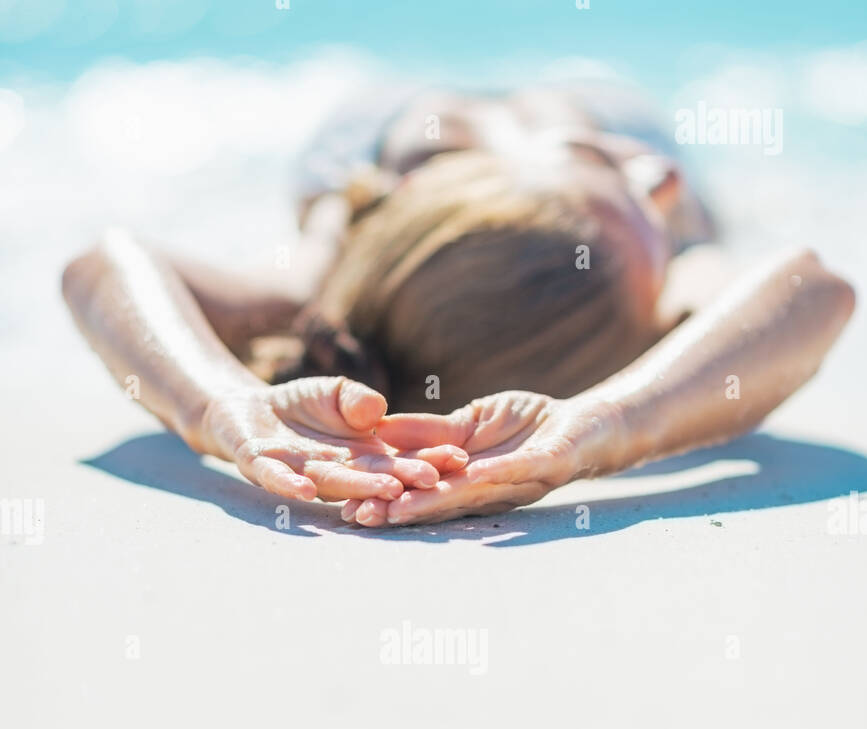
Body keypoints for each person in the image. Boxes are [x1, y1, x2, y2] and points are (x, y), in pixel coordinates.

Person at [62, 79, 855, 527]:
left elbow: (103, 264)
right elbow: (811, 289)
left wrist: (217, 406)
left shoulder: (332, 254)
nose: (660, 176)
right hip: (580, 124)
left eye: (606, 163)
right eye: (637, 191)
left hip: (385, 143)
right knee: (690, 227)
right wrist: (610, 421)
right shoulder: (669, 252)